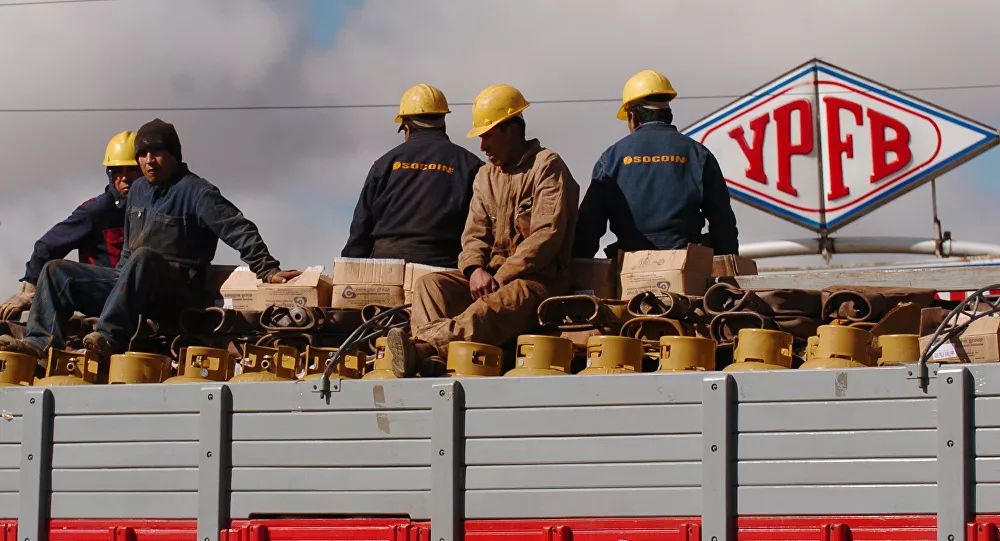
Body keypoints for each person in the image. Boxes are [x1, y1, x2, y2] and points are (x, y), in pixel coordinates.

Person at [0, 118, 299, 361]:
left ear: (174, 155)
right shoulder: (139, 191)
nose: (148, 161)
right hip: (130, 283)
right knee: (56, 271)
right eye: (142, 155)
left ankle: (108, 338)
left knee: (144, 257)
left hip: (176, 293)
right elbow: (129, 248)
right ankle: (40, 344)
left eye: (156, 153)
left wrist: (268, 269)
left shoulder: (197, 192)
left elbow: (237, 227)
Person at [388, 84, 580, 376]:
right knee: (430, 286)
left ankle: (421, 347)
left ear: (512, 130)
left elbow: (546, 236)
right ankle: (430, 356)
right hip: (488, 277)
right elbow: (474, 234)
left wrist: (501, 276)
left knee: (487, 309)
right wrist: (474, 270)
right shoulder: (485, 176)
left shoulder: (547, 166)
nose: (482, 147)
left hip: (536, 282)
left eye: (487, 135)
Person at [573, 69, 739, 258]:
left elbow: (589, 226)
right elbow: (722, 221)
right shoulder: (698, 154)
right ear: (668, 114)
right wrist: (729, 265)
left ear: (632, 117)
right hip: (686, 267)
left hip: (629, 269)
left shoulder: (611, 158)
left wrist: (579, 269)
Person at [0, 131, 142, 321]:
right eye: (117, 171)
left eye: (131, 170)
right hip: (106, 295)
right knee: (57, 271)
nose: (124, 178)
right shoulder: (97, 211)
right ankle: (41, 338)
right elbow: (47, 245)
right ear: (110, 173)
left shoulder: (153, 208)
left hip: (141, 296)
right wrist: (29, 289)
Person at [342, 84, 483, 267]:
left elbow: (361, 227)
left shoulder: (384, 164)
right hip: (443, 270)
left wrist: (349, 269)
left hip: (385, 268)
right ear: (443, 121)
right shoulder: (471, 165)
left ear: (406, 126)